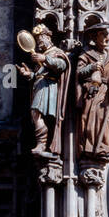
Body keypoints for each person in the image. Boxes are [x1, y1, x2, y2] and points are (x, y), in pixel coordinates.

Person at [18, 24, 68, 156]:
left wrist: (45, 58)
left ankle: (42, 143)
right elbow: (39, 74)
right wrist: (30, 75)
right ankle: (43, 143)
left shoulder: (56, 52)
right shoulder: (41, 55)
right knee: (37, 114)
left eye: (41, 40)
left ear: (48, 38)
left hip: (49, 87)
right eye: (38, 41)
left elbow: (62, 65)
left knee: (37, 113)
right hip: (39, 86)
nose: (40, 44)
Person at [76, 16, 109, 158]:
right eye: (104, 35)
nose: (107, 38)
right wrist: (92, 67)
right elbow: (79, 72)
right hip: (91, 90)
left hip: (104, 91)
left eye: (107, 35)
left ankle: (101, 145)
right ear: (95, 38)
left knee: (102, 119)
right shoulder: (87, 53)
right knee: (88, 117)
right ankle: (88, 145)